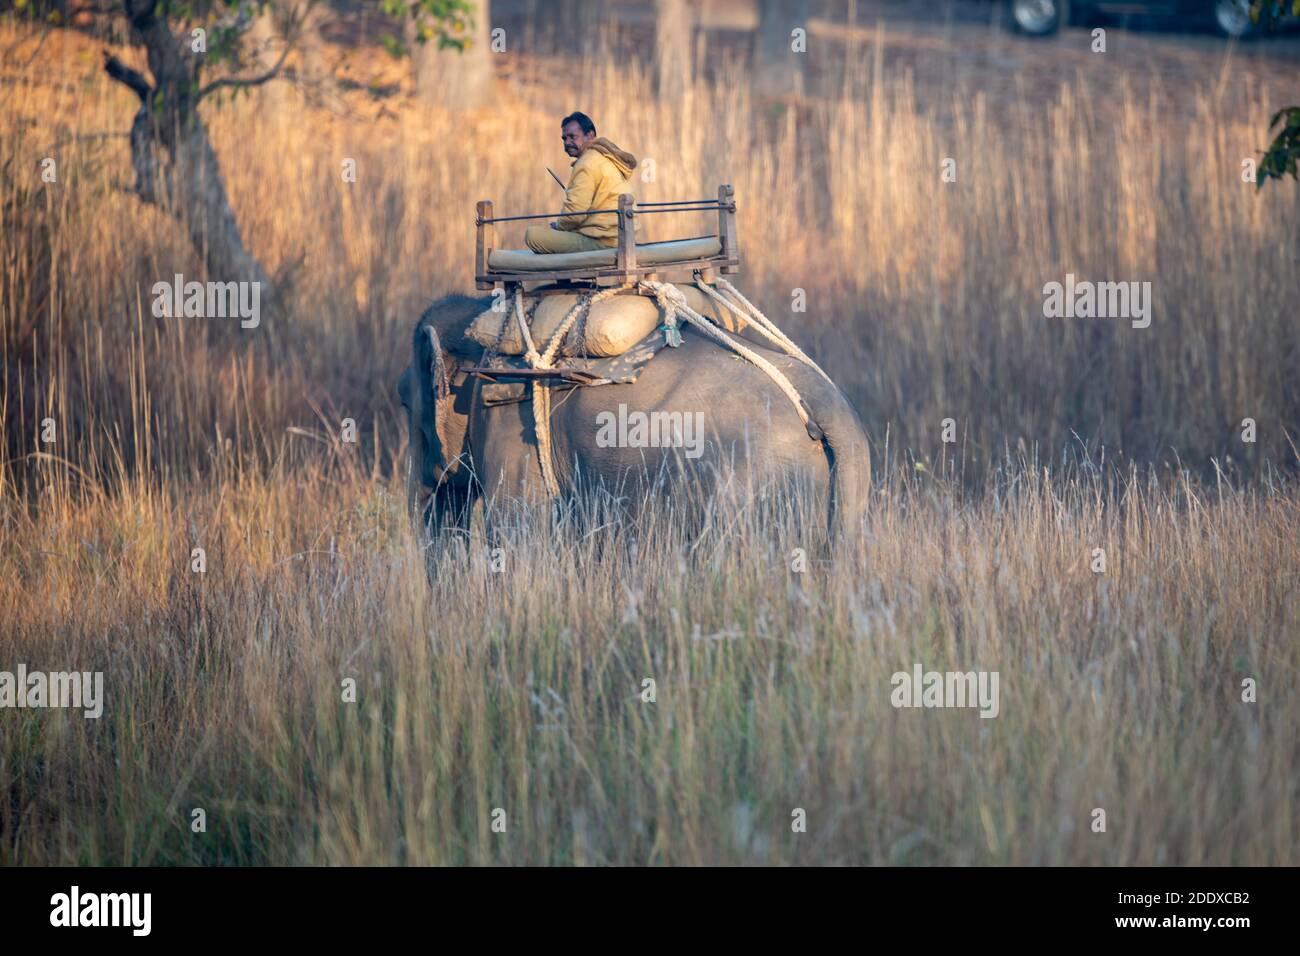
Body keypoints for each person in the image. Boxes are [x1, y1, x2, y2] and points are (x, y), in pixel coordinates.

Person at [524, 111, 639, 254]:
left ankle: (566, 274)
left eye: (573, 137)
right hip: (623, 236)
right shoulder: (605, 157)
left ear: (589, 135)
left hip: (604, 241)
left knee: (532, 236)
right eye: (564, 138)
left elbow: (574, 214)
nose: (567, 142)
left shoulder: (586, 163)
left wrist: (558, 228)